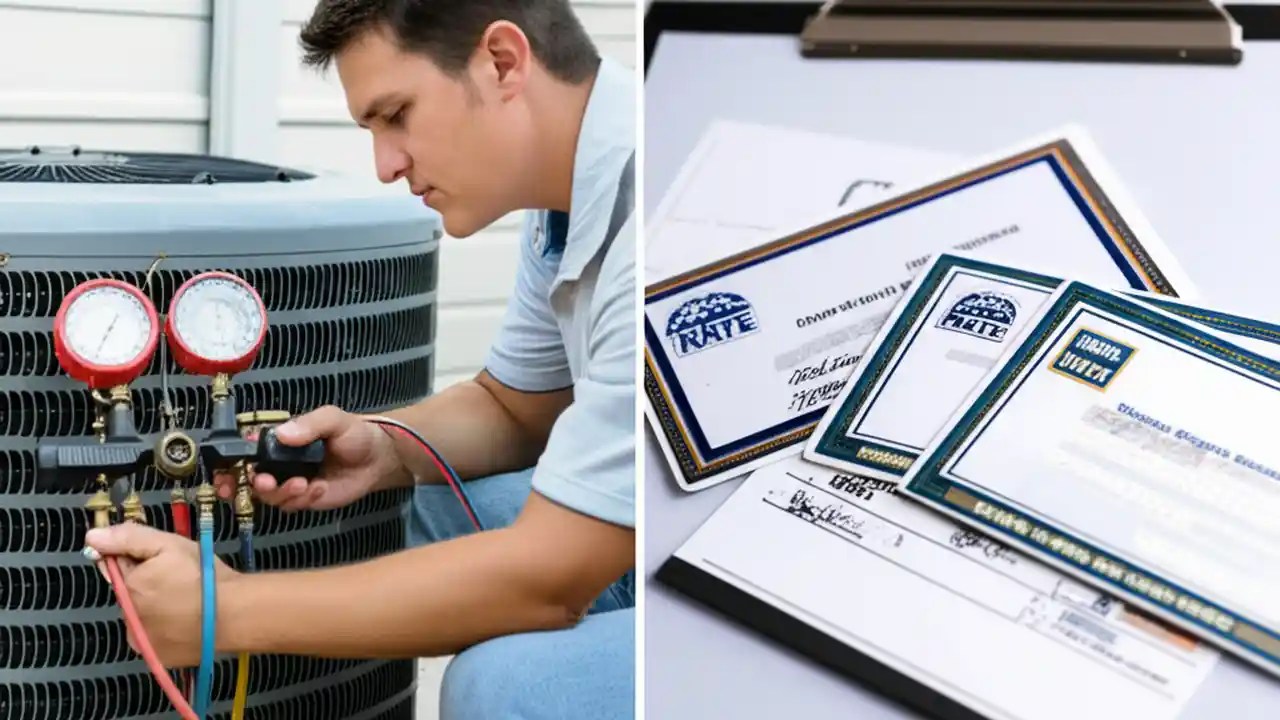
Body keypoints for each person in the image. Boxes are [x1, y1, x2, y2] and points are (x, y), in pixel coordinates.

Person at [84, 1, 637, 718]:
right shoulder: (560, 198)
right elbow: (516, 409)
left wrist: (231, 612)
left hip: (729, 559)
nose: (385, 166)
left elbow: (548, 583)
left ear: (503, 61)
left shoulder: (642, 231)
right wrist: (384, 448)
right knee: (417, 504)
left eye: (397, 114)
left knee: (506, 689)